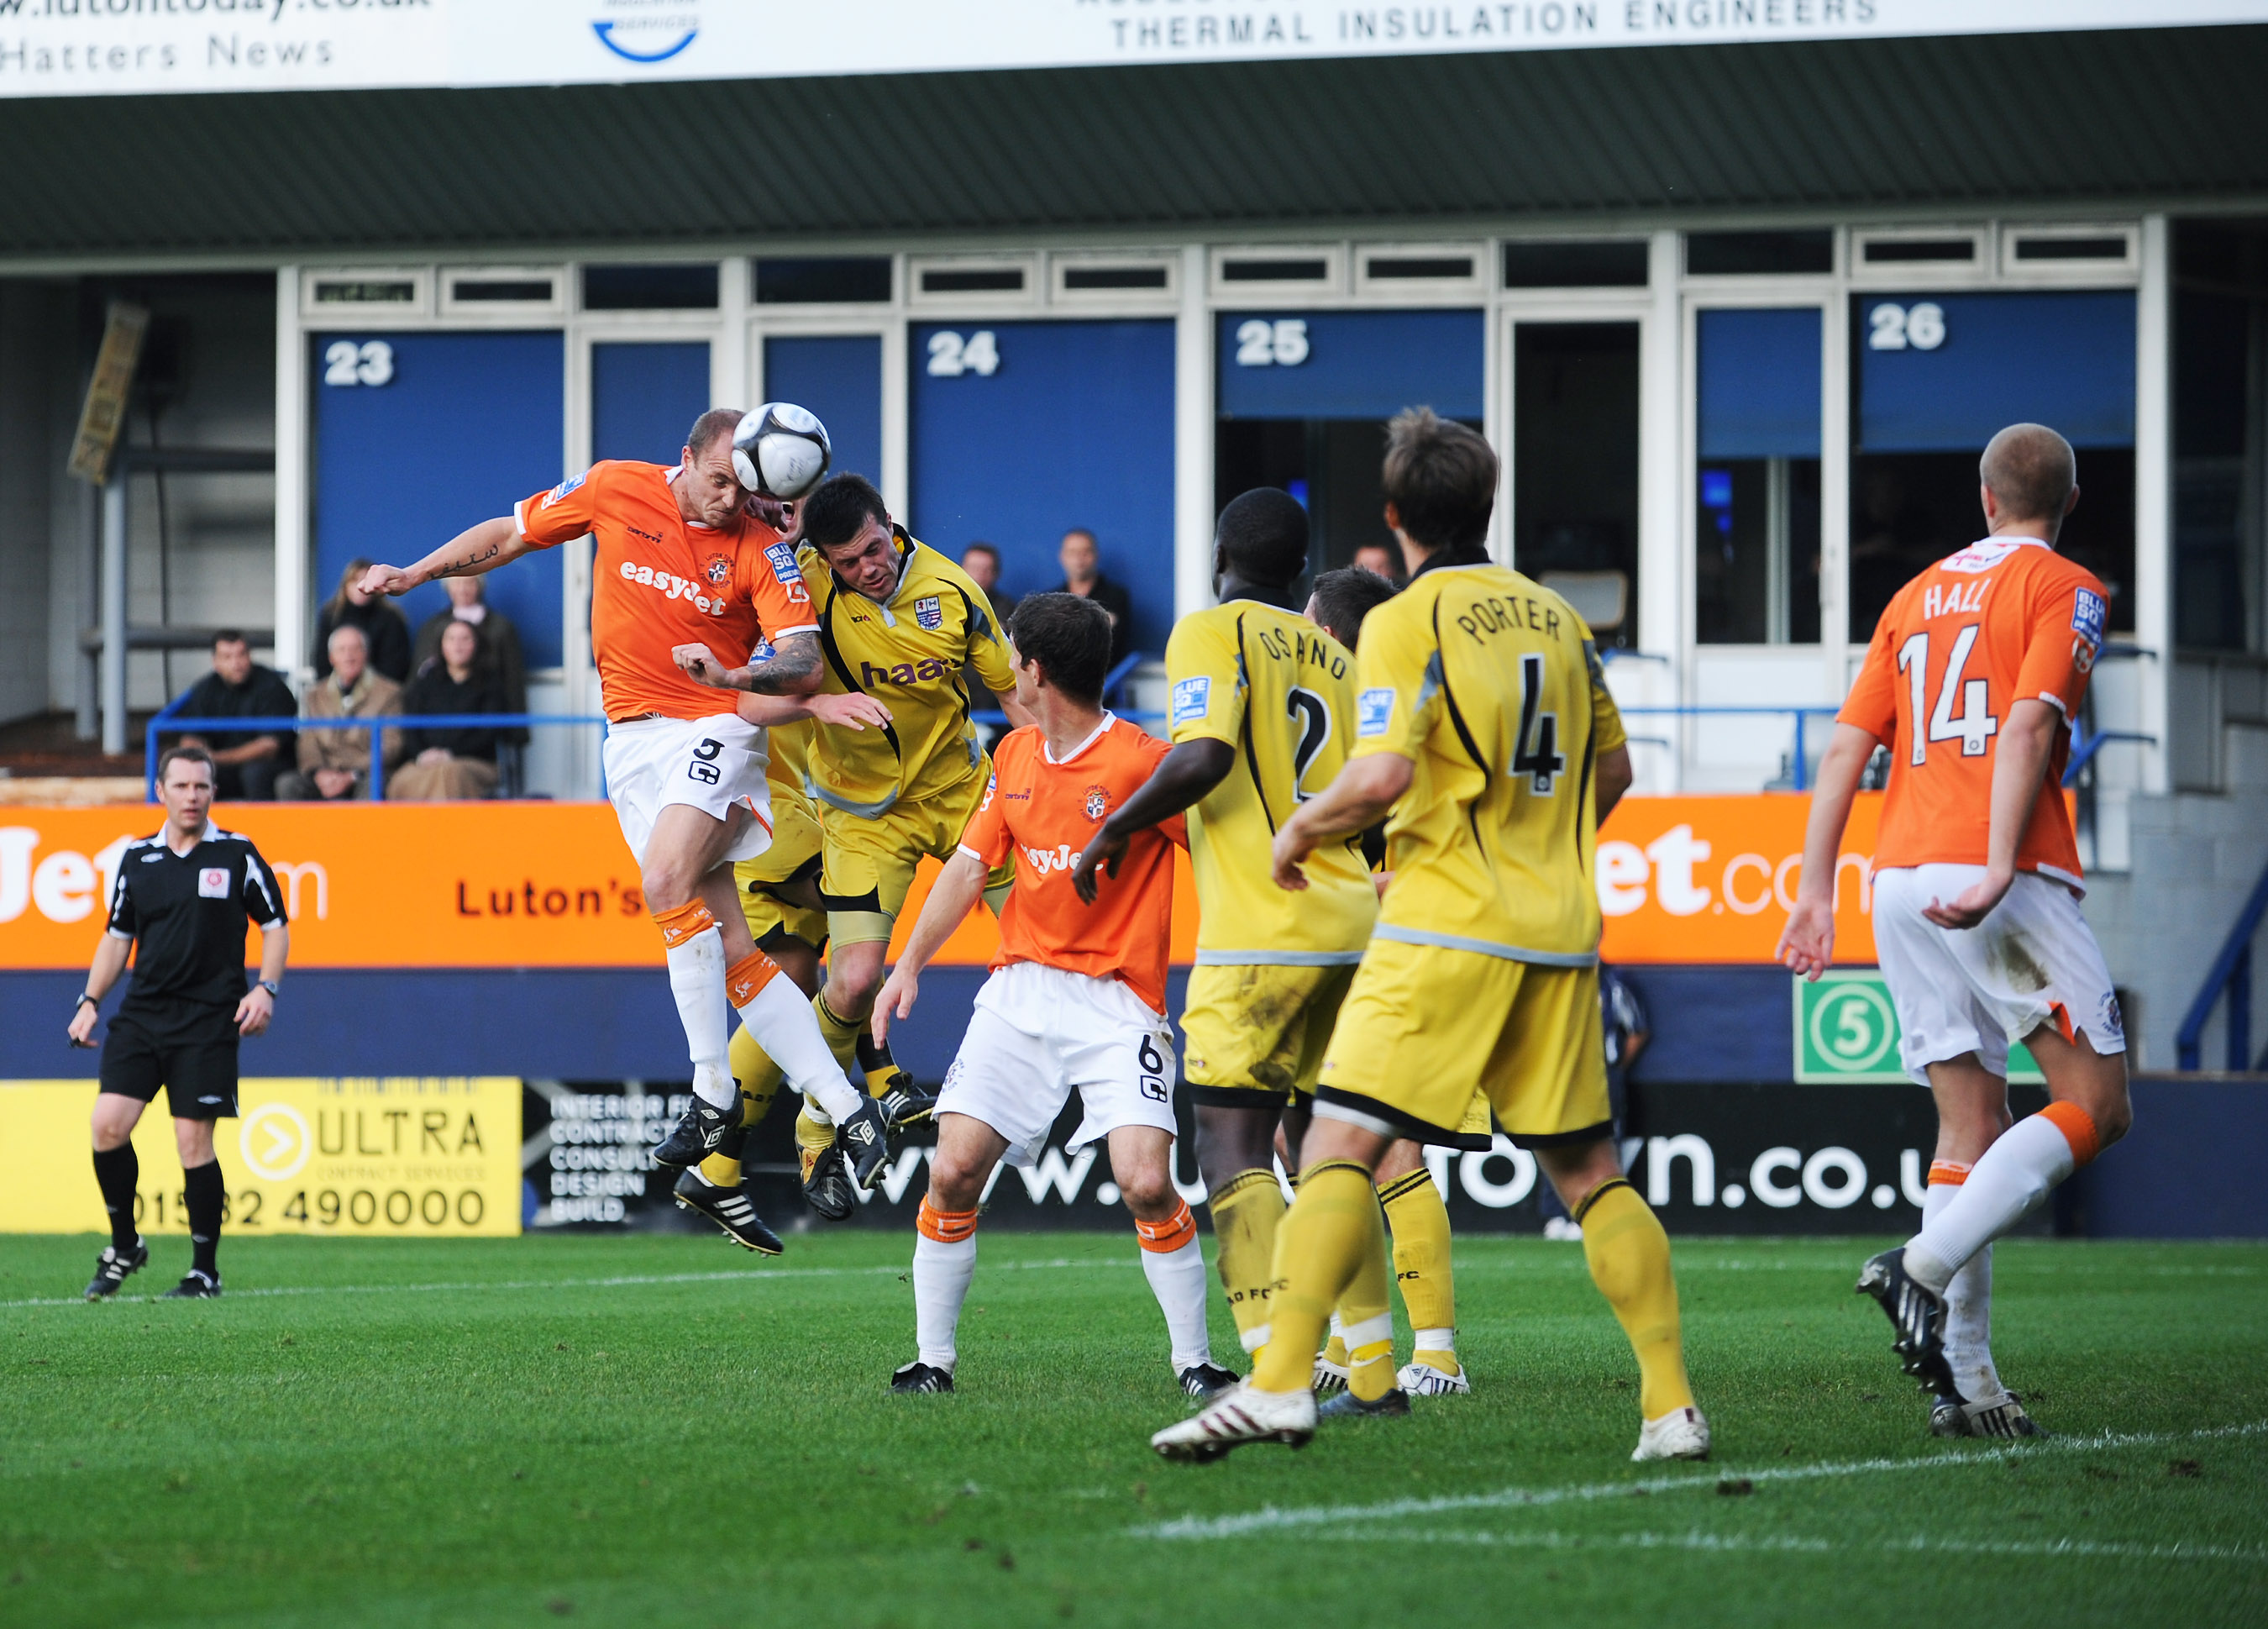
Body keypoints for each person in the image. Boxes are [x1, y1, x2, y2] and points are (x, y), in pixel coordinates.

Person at [1154, 408, 1708, 1464]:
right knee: (1592, 1173)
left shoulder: (1410, 618)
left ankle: (1278, 1385)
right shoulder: (1558, 618)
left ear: (1396, 515)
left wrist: (1308, 827)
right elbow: (1619, 776)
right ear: (1487, 503)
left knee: (1335, 1143)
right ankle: (1669, 1406)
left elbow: (1386, 771)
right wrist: (1540, 849)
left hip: (1447, 922)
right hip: (1561, 928)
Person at [357, 407, 896, 1210]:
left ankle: (712, 1092)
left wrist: (728, 676)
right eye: (719, 481)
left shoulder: (761, 545)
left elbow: (800, 659)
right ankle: (853, 1110)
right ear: (685, 459)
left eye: (744, 487)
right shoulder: (615, 487)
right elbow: (511, 532)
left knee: (664, 879)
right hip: (630, 743)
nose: (730, 500)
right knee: (734, 945)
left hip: (714, 726)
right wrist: (415, 573)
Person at [1777, 423, 2131, 1440]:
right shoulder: (2071, 587)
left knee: (1968, 1125)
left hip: (1896, 879)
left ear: (1983, 498)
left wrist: (1814, 890)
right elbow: (2026, 725)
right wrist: (1996, 862)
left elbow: (1849, 745)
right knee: (2099, 1106)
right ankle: (1919, 1266)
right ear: (2069, 499)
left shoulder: (1912, 595)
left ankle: (1966, 1384)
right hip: (1998, 877)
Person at [871, 593, 1231, 1400]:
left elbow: (1219, 855)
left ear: (1033, 670)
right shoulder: (1014, 756)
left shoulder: (1144, 761)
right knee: (954, 1170)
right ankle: (933, 1360)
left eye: (1010, 655)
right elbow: (969, 868)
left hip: (1118, 1001)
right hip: (1019, 993)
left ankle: (1196, 1364)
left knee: (1144, 1181)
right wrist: (907, 965)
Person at [1069, 494, 1376, 1408]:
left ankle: (1270, 1366)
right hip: (1351, 920)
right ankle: (1373, 1366)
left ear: (1218, 556)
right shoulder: (1336, 654)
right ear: (1301, 565)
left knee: (1231, 1139)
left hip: (1261, 929)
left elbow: (1201, 752)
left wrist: (1115, 827)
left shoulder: (1212, 631)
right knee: (1333, 1149)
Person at [678, 473, 1036, 1219]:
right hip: (858, 816)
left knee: (1046, 937)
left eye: (874, 549)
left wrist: (1036, 781)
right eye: (848, 561)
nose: (867, 567)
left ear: (890, 525)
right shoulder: (801, 593)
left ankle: (805, 1123)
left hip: (961, 792)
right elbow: (736, 600)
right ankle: (816, 1116)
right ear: (826, 560)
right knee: (849, 980)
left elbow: (1015, 696)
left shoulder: (952, 589)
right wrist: (803, 696)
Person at [1294, 562, 1489, 1405]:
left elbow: (1423, 859)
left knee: (1391, 1145)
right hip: (1355, 953)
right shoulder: (1350, 717)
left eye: (1309, 626)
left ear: (1333, 637)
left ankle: (1438, 1351)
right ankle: (1351, 1334)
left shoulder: (1397, 722)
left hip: (1412, 949)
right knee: (1332, 1144)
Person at [71, 745, 289, 1301]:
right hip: (143, 1014)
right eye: (183, 786)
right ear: (161, 791)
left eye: (202, 786)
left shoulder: (237, 852)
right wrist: (91, 999)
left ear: (213, 792)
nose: (193, 796)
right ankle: (125, 1245)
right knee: (107, 1125)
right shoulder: (137, 858)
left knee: (193, 1141)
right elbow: (118, 938)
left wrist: (266, 988)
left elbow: (275, 924)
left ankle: (204, 1271)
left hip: (208, 1017)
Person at [166, 631, 299, 802]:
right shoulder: (205, 689)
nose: (236, 664)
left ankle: (261, 828)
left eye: (241, 655)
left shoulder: (272, 686)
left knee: (254, 774)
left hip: (269, 765)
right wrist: (198, 754)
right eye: (227, 657)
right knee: (195, 772)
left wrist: (215, 757)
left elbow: (269, 747)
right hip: (222, 767)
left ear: (250, 656)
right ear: (215, 662)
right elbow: (190, 737)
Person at [276, 624, 402, 802]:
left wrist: (351, 775)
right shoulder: (315, 695)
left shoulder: (389, 692)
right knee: (288, 784)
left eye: (355, 649)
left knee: (374, 785)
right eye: (341, 650)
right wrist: (319, 773)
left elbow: (391, 746)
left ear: (366, 654)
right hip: (326, 774)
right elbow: (308, 741)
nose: (348, 656)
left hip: (365, 774)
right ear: (331, 658)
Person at [390, 619, 507, 801]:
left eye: (465, 639)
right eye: (451, 639)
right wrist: (422, 755)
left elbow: (488, 733)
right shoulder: (426, 681)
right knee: (400, 780)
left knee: (448, 774)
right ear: (441, 646)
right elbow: (410, 726)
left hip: (475, 761)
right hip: (426, 760)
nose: (457, 645)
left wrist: (450, 754)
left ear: (476, 644)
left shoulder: (490, 683)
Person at [412, 574, 528, 721]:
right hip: (441, 718)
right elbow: (419, 676)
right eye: (456, 583)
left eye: (469, 583)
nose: (462, 590)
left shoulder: (501, 627)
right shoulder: (432, 627)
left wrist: (517, 729)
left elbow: (513, 679)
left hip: (487, 714)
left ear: (480, 586)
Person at [313, 558, 413, 684]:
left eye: (366, 580)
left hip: (381, 695)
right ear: (345, 586)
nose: (360, 586)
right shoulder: (330, 617)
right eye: (355, 580)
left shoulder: (391, 619)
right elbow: (321, 661)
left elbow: (396, 665)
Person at [1057, 526, 1135, 670]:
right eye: (1072, 552)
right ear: (1062, 557)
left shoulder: (1116, 597)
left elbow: (1112, 646)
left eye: (1085, 552)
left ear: (1096, 555)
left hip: (1104, 684)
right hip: (1059, 684)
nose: (1079, 559)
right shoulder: (1051, 601)